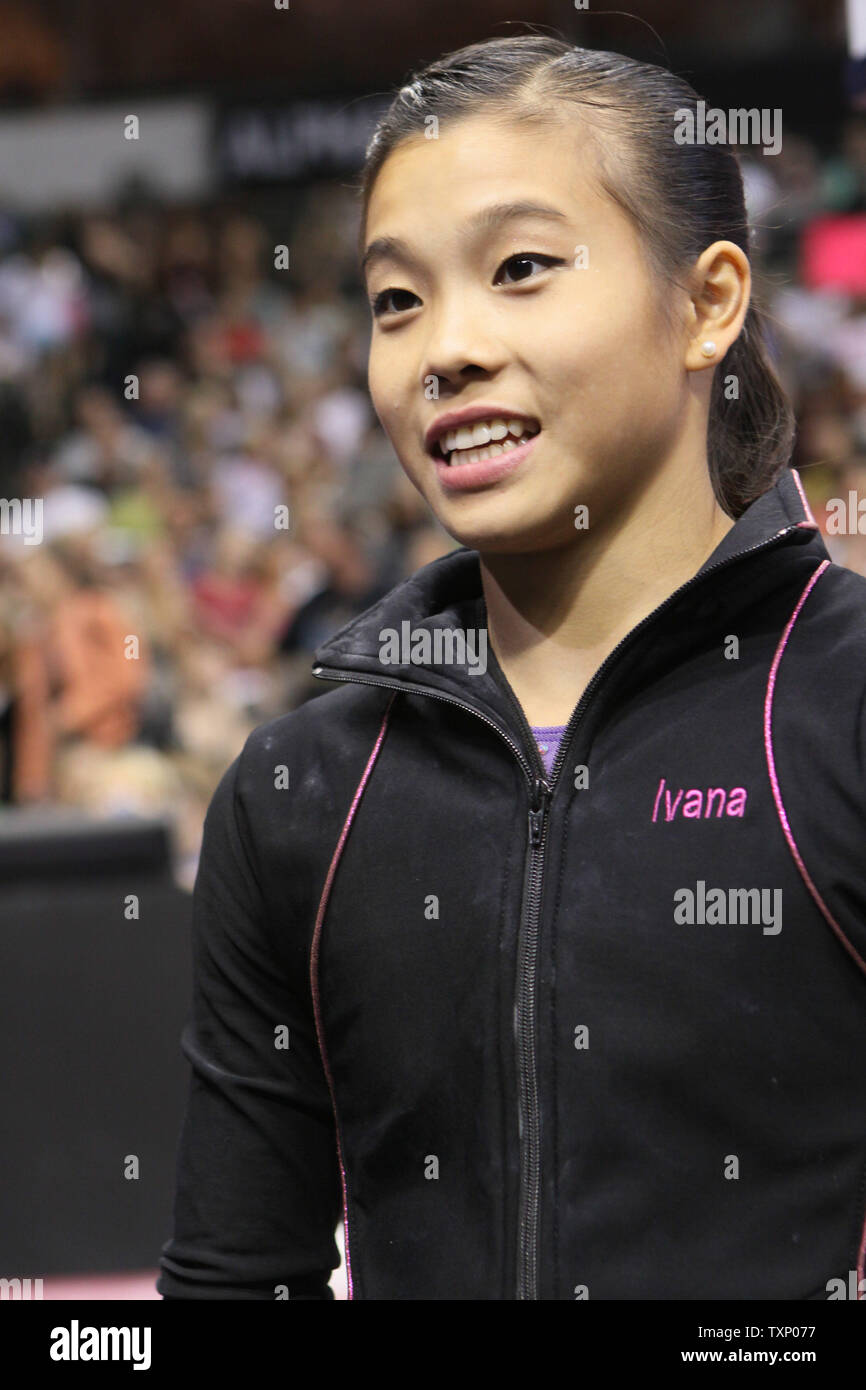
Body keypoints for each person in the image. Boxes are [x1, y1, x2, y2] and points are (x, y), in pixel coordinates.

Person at [157, 34, 866, 1301]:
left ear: (705, 302)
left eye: (521, 268)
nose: (446, 348)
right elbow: (230, 1282)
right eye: (395, 299)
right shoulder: (296, 792)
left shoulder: (842, 708)